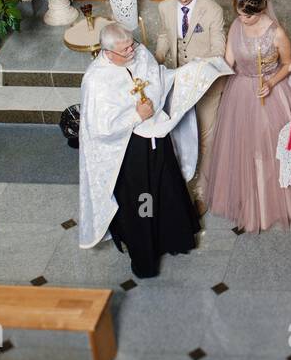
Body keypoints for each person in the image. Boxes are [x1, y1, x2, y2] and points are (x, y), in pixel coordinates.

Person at [77, 23, 203, 278]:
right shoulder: (96, 81)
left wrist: (178, 82)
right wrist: (135, 116)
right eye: (125, 50)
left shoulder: (139, 52)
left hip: (157, 136)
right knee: (141, 200)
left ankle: (175, 240)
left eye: (131, 44)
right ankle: (145, 256)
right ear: (109, 52)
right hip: (128, 150)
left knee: (167, 187)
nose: (132, 51)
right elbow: (100, 128)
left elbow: (156, 77)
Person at [203, 0, 291, 232]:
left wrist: (270, 82)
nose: (243, 20)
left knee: (271, 148)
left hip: (271, 91)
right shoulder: (236, 26)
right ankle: (250, 205)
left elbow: (288, 64)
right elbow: (229, 62)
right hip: (241, 91)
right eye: (240, 15)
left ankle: (277, 204)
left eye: (248, 16)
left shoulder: (276, 32)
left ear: (261, 9)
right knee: (245, 148)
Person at [155, 0, 226, 214]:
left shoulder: (213, 10)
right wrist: (158, 56)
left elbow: (218, 48)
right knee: (180, 133)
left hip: (206, 83)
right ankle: (180, 182)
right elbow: (164, 35)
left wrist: (196, 68)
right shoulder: (164, 7)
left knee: (206, 137)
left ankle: (203, 191)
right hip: (178, 82)